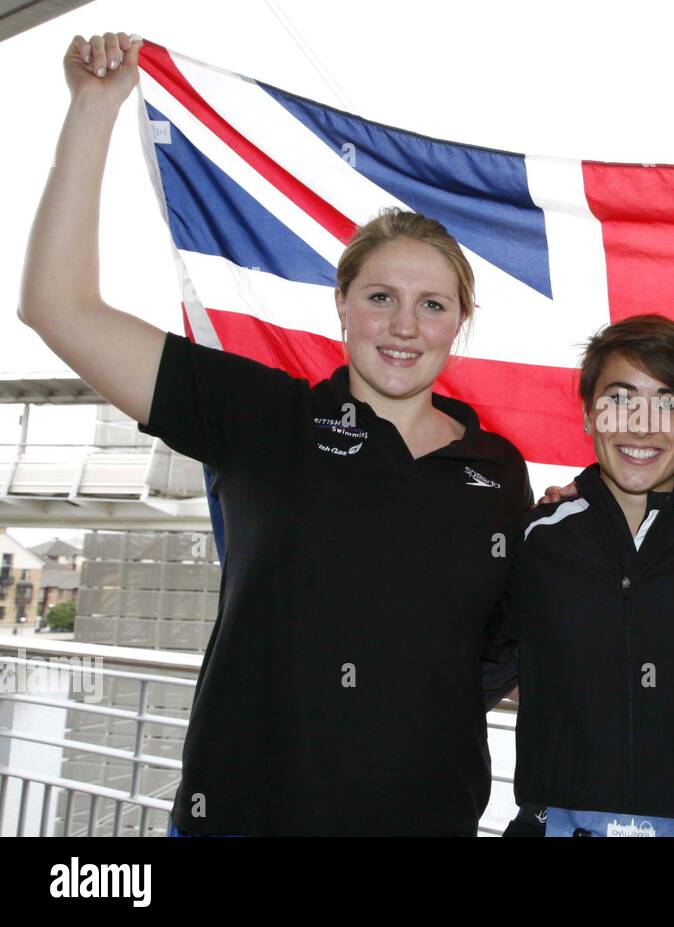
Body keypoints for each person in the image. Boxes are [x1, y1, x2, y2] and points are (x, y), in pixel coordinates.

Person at [18, 33, 531, 835]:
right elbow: (58, 306)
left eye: (432, 304)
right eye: (380, 296)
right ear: (341, 305)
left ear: (461, 321)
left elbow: (496, 650)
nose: (405, 325)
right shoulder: (264, 417)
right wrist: (92, 112)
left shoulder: (499, 469)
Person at [488, 315, 674, 836]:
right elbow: (460, 669)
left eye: (670, 402)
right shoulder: (533, 538)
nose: (642, 423)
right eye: (619, 399)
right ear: (589, 414)